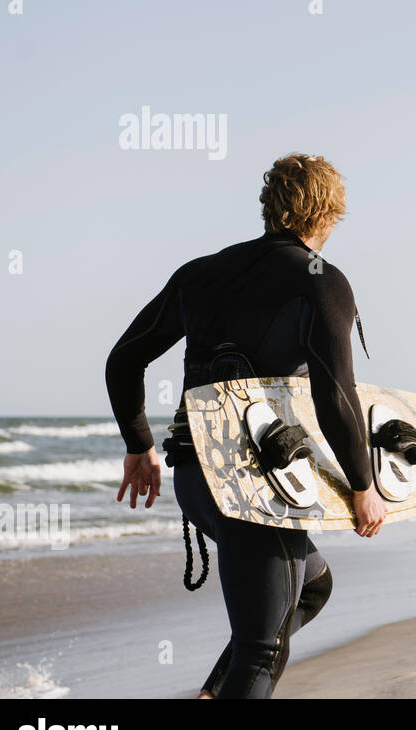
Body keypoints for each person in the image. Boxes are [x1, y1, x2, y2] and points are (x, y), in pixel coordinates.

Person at [104, 154, 386, 699]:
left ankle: (213, 694)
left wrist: (140, 447)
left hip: (195, 479)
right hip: (260, 488)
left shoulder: (199, 274)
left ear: (270, 206)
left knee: (312, 587)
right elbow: (334, 397)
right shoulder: (321, 281)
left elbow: (123, 360)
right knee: (262, 649)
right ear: (328, 213)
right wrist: (362, 486)